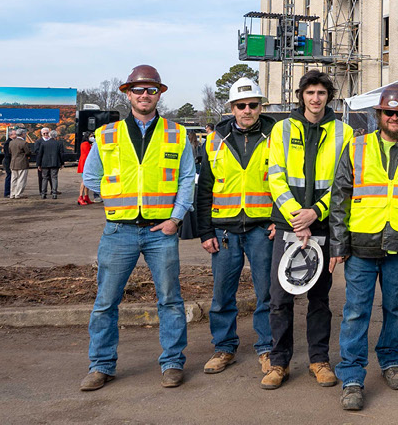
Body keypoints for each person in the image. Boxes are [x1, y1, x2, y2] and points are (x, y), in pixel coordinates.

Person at [79, 65, 196, 392]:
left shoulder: (176, 134)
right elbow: (91, 177)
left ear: (159, 94)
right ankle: (101, 365)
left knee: (170, 300)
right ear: (128, 94)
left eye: (151, 90)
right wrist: (117, 198)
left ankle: (172, 363)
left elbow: (187, 178)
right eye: (139, 89)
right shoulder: (107, 134)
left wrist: (175, 218)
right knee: (105, 301)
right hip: (119, 231)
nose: (145, 95)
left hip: (162, 232)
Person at [328, 83, 398, 411]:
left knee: (396, 309)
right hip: (360, 248)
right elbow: (339, 197)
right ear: (379, 114)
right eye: (389, 112)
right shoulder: (356, 147)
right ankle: (352, 376)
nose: (394, 117)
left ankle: (390, 360)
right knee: (356, 312)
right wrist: (339, 243)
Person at [261, 69, 354, 391]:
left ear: (329, 97)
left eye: (321, 93)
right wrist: (296, 216)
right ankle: (279, 362)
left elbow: (343, 184)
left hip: (322, 223)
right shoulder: (282, 129)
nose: (316, 99)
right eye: (310, 92)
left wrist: (315, 213)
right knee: (280, 297)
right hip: (288, 224)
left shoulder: (344, 132)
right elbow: (275, 176)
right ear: (301, 96)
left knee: (319, 298)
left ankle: (319, 360)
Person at [193, 77, 278, 379]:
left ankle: (267, 348)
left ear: (260, 106)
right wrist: (205, 232)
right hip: (224, 231)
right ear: (231, 108)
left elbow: (286, 182)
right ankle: (224, 347)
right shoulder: (215, 139)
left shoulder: (276, 136)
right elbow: (204, 188)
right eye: (241, 105)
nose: (247, 110)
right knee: (222, 294)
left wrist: (279, 220)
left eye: (252, 105)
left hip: (262, 228)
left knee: (266, 292)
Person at [34, 127, 64, 199]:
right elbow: (61, 154)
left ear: (50, 135)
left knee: (44, 178)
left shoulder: (43, 143)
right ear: (56, 136)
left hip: (44, 163)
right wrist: (62, 163)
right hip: (55, 163)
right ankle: (54, 193)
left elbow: (40, 155)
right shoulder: (59, 143)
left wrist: (38, 164)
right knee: (54, 178)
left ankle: (43, 193)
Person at [8, 127, 31, 199]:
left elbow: (10, 152)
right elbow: (27, 152)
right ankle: (18, 194)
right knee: (21, 179)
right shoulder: (24, 143)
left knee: (13, 179)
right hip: (22, 163)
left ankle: (12, 194)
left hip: (13, 163)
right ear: (22, 134)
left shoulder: (11, 142)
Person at [76, 133, 94, 206]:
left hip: (85, 162)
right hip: (85, 163)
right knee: (84, 180)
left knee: (87, 180)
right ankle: (80, 197)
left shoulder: (85, 143)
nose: (92, 138)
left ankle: (86, 197)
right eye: (91, 136)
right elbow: (89, 154)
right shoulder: (86, 144)